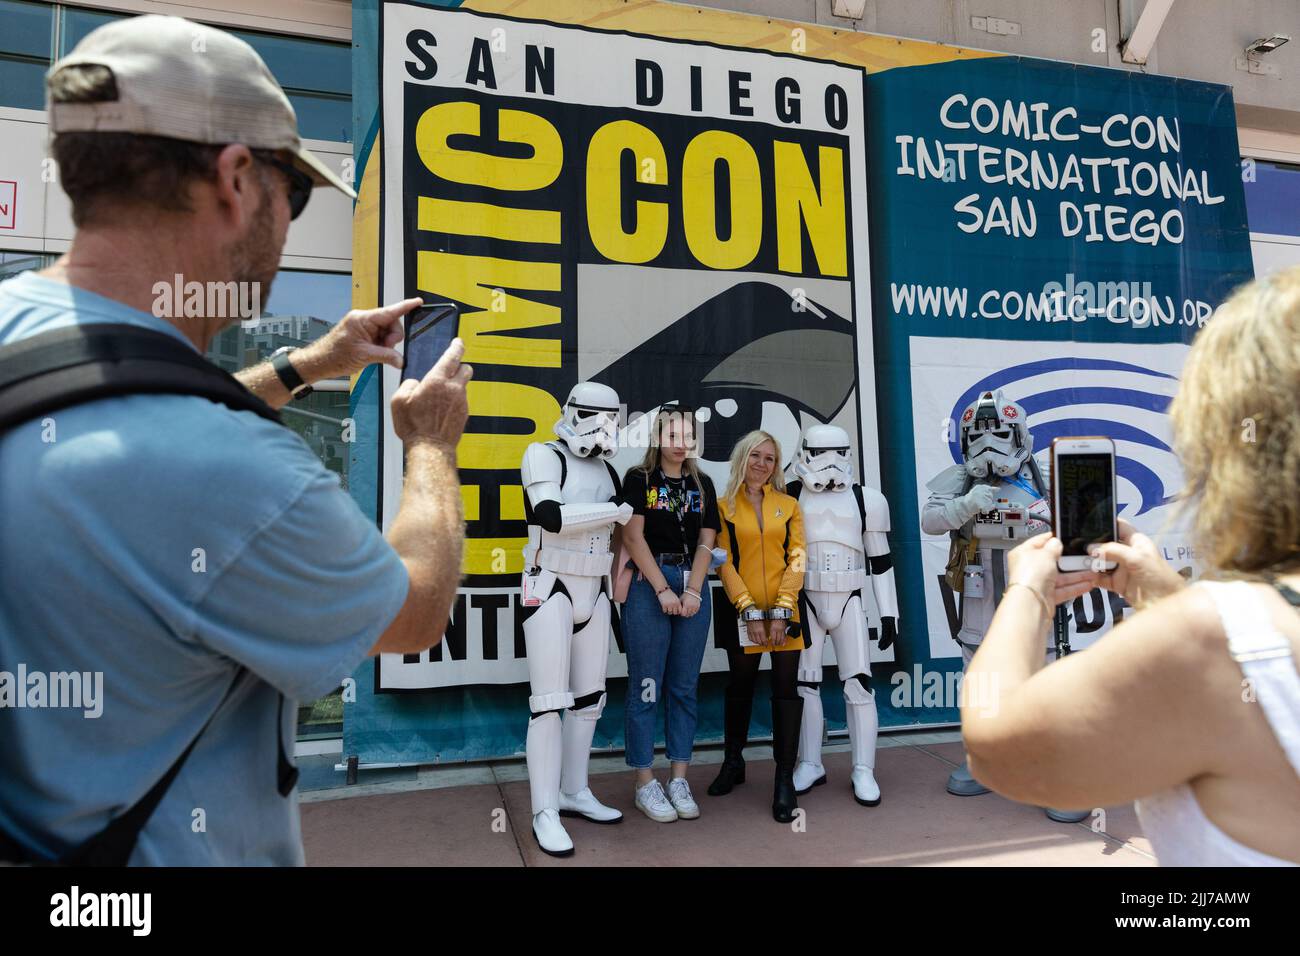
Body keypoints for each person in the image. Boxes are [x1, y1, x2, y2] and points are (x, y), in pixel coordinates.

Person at [0, 15, 471, 865]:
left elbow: (127, 403)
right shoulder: (232, 472)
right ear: (235, 179)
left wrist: (309, 363)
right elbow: (416, 608)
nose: (289, 227)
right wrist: (431, 445)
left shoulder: (26, 340)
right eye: (293, 196)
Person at [962, 267, 1300, 866]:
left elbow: (997, 747)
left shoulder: (1207, 639)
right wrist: (1172, 599)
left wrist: (1029, 594)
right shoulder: (1212, 633)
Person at [920, 389, 1052, 799]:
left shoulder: (1042, 474)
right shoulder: (962, 482)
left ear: (1018, 435)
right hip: (980, 589)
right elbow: (930, 520)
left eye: (998, 434)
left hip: (1030, 589)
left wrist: (1035, 520)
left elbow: (1077, 518)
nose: (988, 446)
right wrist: (965, 506)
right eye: (978, 436)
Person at [518, 382, 632, 858]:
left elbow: (617, 542)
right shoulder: (543, 455)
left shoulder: (608, 469)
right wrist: (613, 510)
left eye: (613, 420)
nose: (605, 430)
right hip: (551, 586)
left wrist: (618, 596)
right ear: (573, 413)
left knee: (589, 700)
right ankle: (544, 809)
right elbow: (549, 515)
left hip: (595, 590)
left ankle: (573, 790)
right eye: (596, 418)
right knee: (548, 702)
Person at [785, 424, 899, 807]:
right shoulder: (790, 495)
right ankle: (810, 761)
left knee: (859, 686)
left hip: (850, 596)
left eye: (838, 452)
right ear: (804, 454)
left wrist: (889, 614)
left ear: (849, 453)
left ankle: (863, 768)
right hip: (806, 598)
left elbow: (881, 561)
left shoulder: (868, 500)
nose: (830, 461)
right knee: (805, 684)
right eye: (821, 453)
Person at [619, 406, 720, 824]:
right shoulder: (638, 480)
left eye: (688, 436)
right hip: (648, 584)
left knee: (683, 687)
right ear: (659, 437)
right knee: (646, 686)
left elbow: (707, 540)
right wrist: (662, 587)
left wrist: (693, 589)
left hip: (692, 584)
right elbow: (631, 534)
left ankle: (679, 776)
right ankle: (645, 780)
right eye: (673, 435)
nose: (681, 443)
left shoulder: (703, 482)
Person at [711, 431, 807, 822]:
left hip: (786, 612)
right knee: (740, 687)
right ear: (741, 458)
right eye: (756, 455)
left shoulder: (789, 505)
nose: (762, 463)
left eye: (770, 458)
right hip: (741, 610)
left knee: (786, 692)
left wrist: (783, 609)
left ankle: (784, 780)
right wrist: (748, 610)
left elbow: (798, 556)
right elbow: (723, 560)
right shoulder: (723, 507)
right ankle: (733, 762)